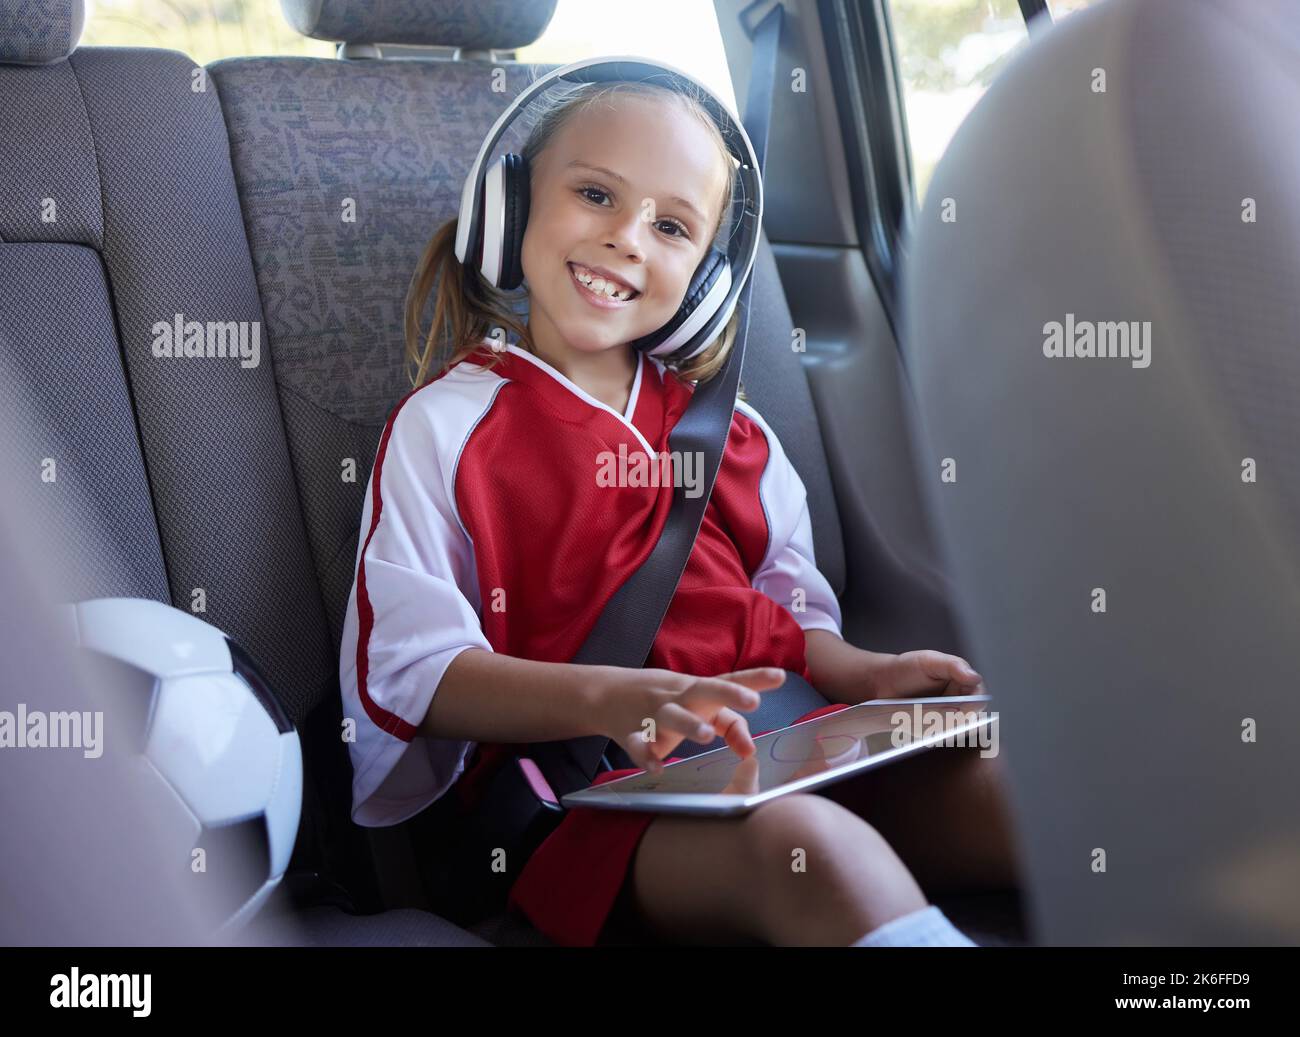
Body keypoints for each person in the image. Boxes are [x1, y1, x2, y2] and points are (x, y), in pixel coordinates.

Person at [339, 73, 1019, 948]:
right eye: (594, 195)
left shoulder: (736, 435)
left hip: (789, 749)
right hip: (603, 800)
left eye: (669, 227)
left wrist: (864, 675)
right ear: (512, 206)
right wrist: (614, 698)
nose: (624, 238)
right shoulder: (446, 428)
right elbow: (413, 670)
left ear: (705, 277)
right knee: (815, 852)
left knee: (1029, 796)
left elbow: (787, 613)